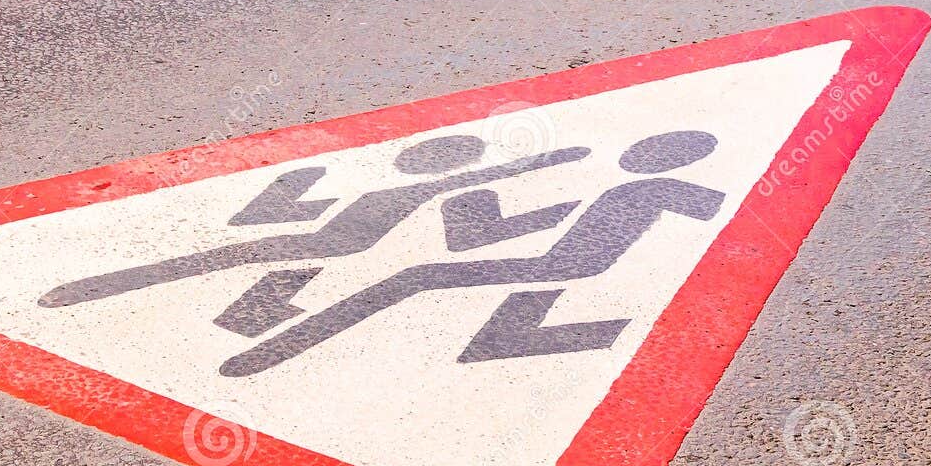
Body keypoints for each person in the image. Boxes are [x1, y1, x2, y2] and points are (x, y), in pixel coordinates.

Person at [218, 130, 725, 376]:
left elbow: (715, 210)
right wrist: (530, 215)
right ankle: (258, 337)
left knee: (411, 277)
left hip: (567, 264)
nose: (638, 157)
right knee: (410, 276)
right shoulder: (637, 190)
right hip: (557, 258)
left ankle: (261, 351)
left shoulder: (651, 190)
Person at [38, 134, 590, 309]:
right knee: (299, 259)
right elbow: (463, 210)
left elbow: (464, 216)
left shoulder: (416, 182)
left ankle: (101, 287)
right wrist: (550, 167)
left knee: (262, 254)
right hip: (353, 236)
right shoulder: (433, 182)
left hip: (352, 232)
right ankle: (101, 287)